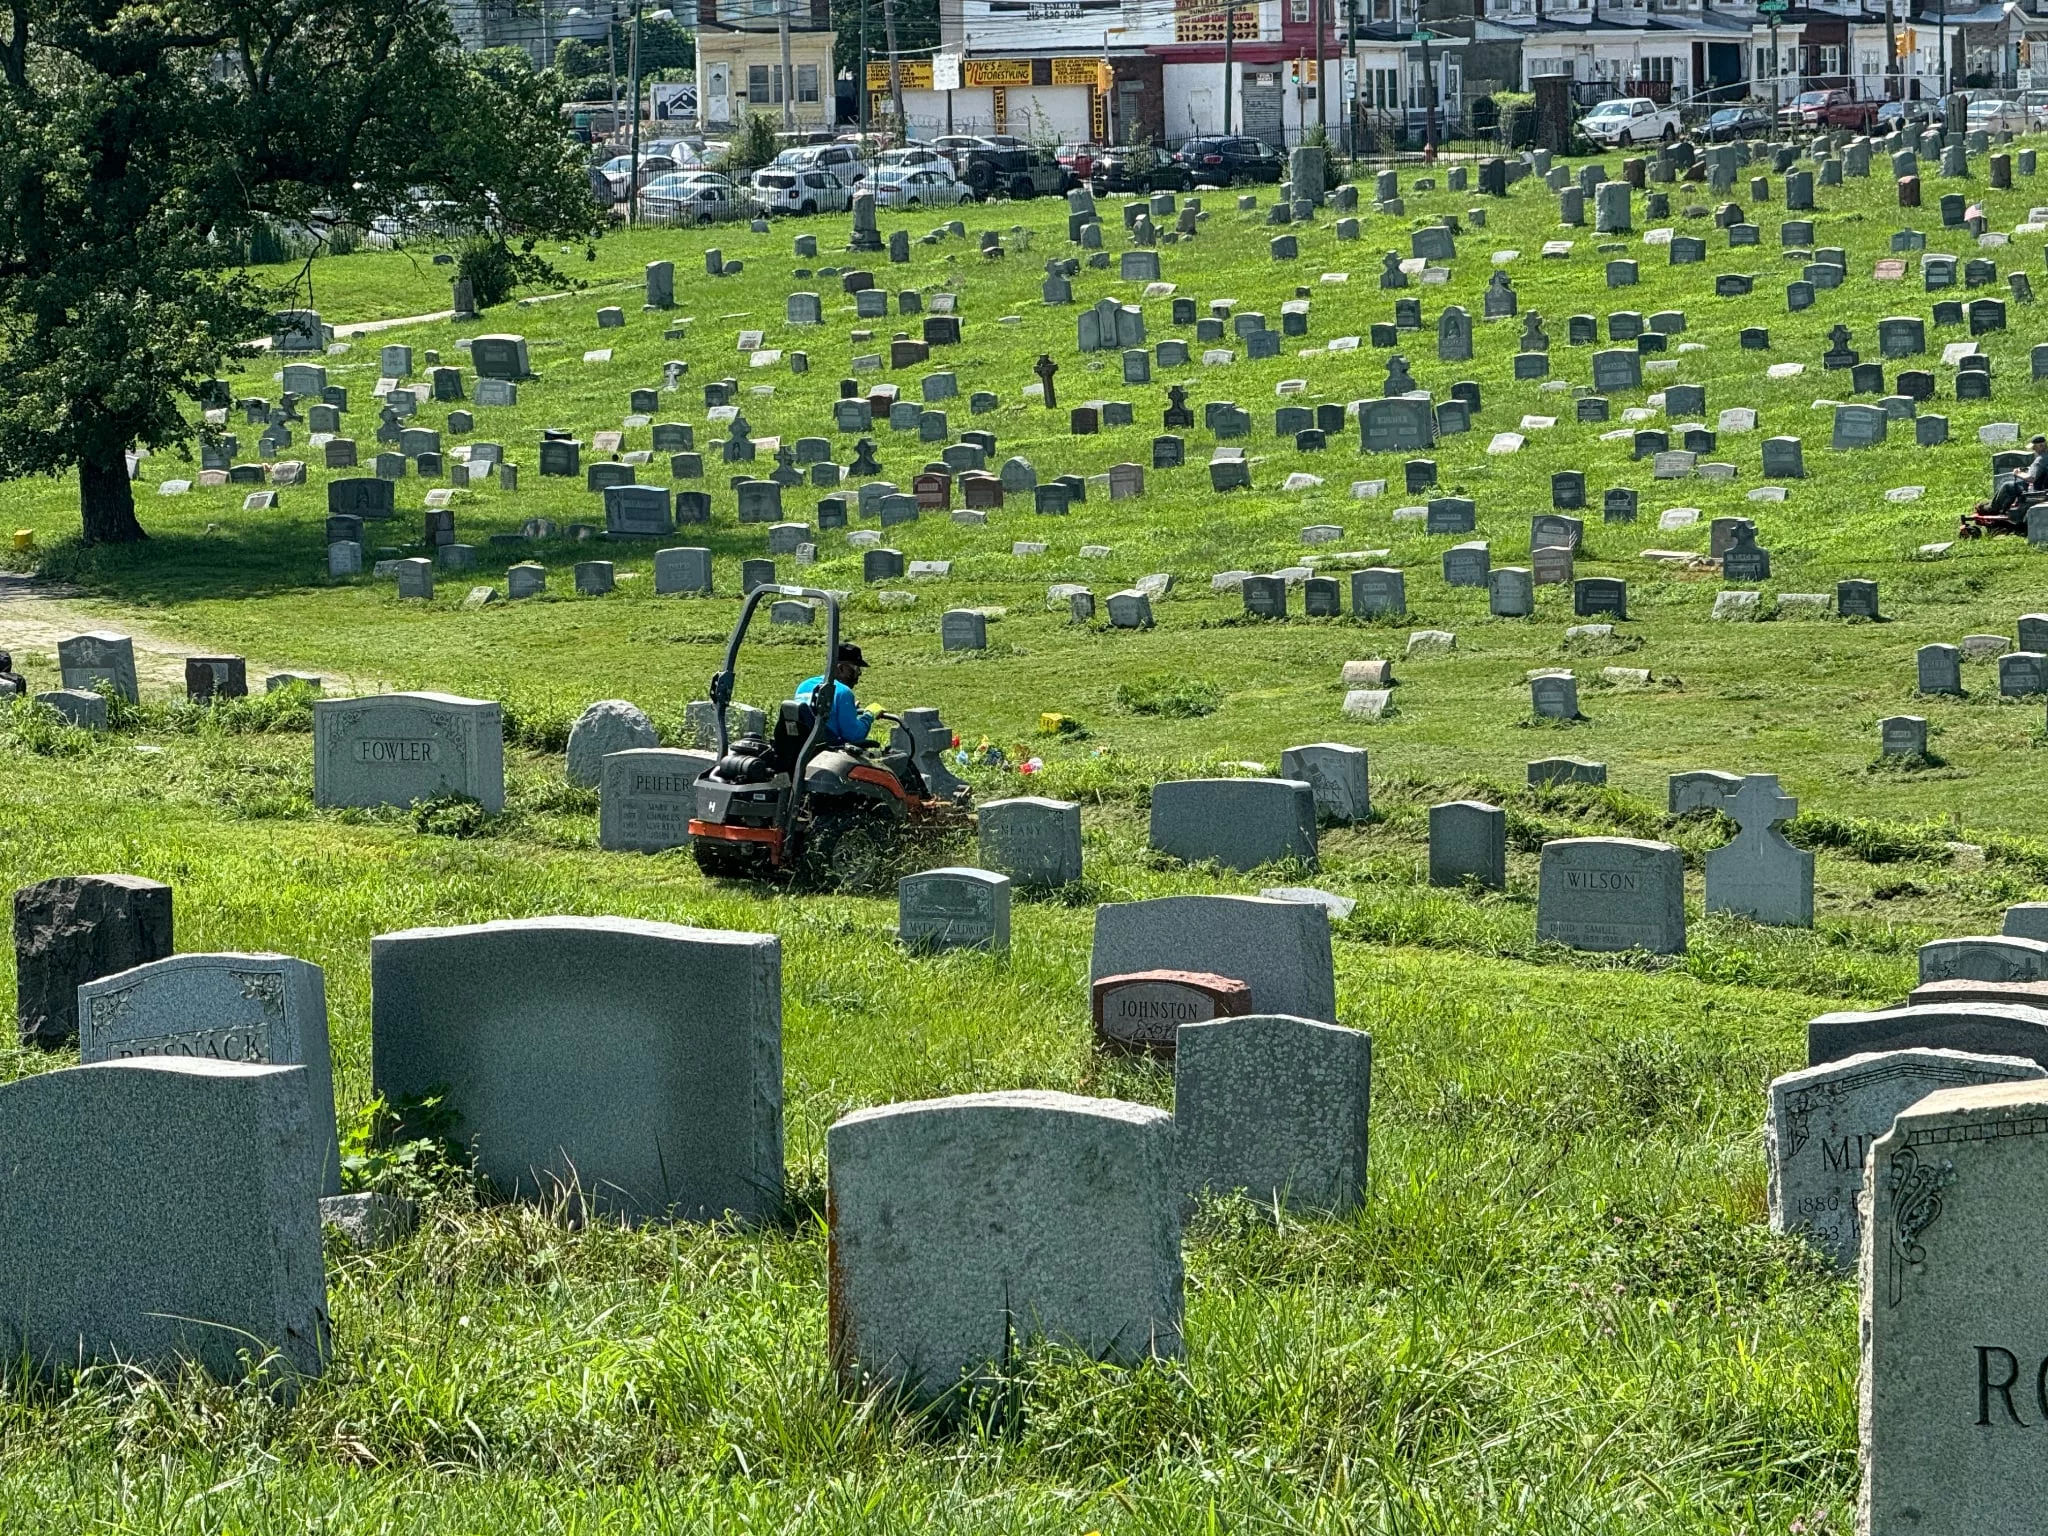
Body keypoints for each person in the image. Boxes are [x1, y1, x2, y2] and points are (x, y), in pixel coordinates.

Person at [794, 643, 875, 747]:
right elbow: (854, 735)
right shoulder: (843, 692)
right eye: (856, 668)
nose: (859, 673)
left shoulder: (804, 685)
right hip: (823, 751)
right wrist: (868, 715)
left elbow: (814, 716)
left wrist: (849, 710)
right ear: (841, 668)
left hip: (799, 748)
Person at [1982, 435, 2048, 523]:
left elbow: (2031, 478)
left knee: (2008, 486)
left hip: (2037, 491)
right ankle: (2005, 507)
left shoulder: (2040, 459)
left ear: (2041, 446)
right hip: (2044, 487)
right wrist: (2027, 470)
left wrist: (2017, 473)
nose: (2033, 450)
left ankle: (1992, 508)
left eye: (2034, 447)